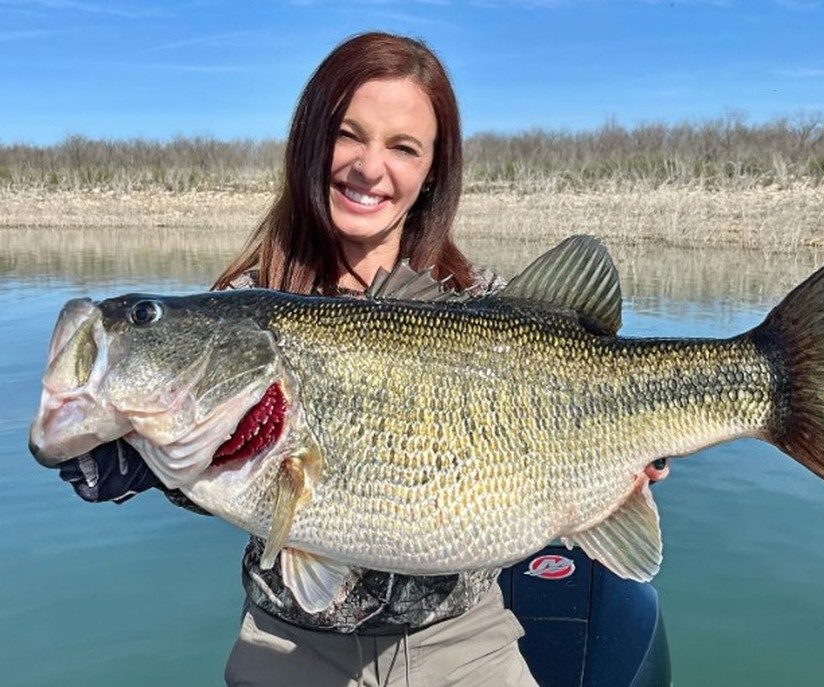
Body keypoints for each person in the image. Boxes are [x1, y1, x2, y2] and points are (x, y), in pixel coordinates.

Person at [57, 31, 669, 686]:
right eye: (348, 135)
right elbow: (236, 476)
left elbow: (592, 410)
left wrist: (630, 449)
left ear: (432, 171)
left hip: (466, 645)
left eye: (403, 147)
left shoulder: (482, 303)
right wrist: (137, 458)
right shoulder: (243, 306)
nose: (370, 168)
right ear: (312, 142)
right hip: (287, 649)